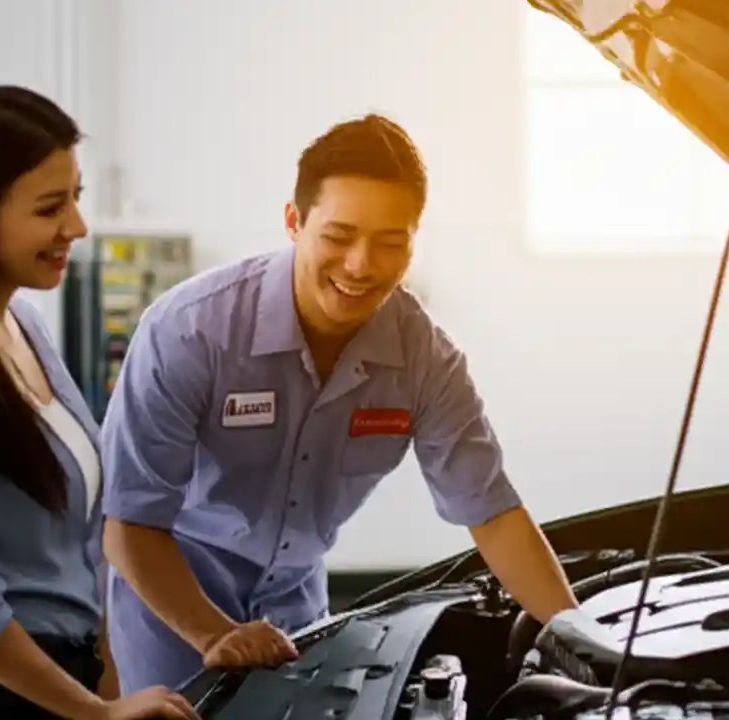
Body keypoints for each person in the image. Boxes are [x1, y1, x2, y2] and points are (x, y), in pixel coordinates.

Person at [100, 114, 582, 693]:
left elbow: (493, 513)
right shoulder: (189, 332)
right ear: (293, 222)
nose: (361, 265)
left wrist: (580, 638)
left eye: (390, 242)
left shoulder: (425, 357)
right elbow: (130, 521)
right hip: (177, 600)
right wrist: (212, 634)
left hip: (298, 602)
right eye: (338, 236)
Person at [0, 85, 200, 719]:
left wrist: (105, 695)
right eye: (50, 207)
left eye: (75, 198)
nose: (76, 228)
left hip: (61, 679)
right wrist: (94, 712)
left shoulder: (25, 326)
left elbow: (82, 551)